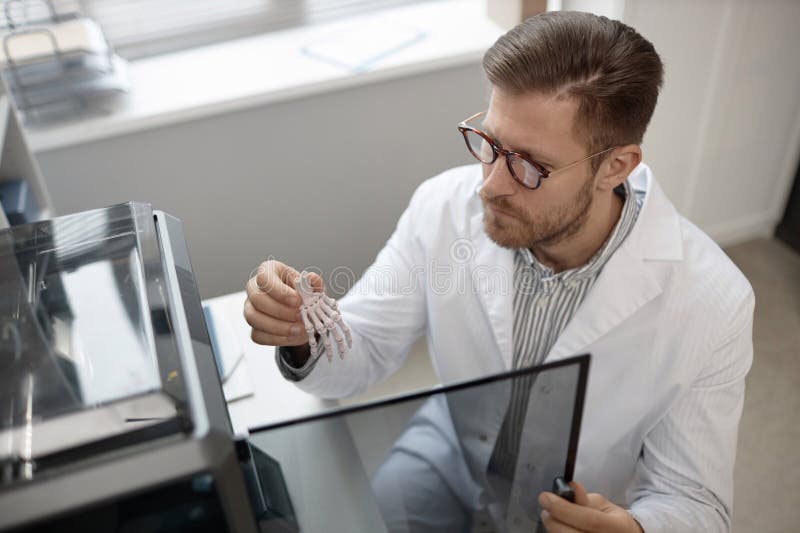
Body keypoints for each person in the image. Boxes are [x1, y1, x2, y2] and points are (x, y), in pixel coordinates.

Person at [243, 11, 754, 533]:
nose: (488, 186)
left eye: (530, 165)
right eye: (489, 144)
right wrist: (302, 330)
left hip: (574, 507)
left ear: (616, 166)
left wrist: (640, 530)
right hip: (449, 454)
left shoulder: (714, 301)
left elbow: (694, 501)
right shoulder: (441, 207)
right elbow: (363, 348)